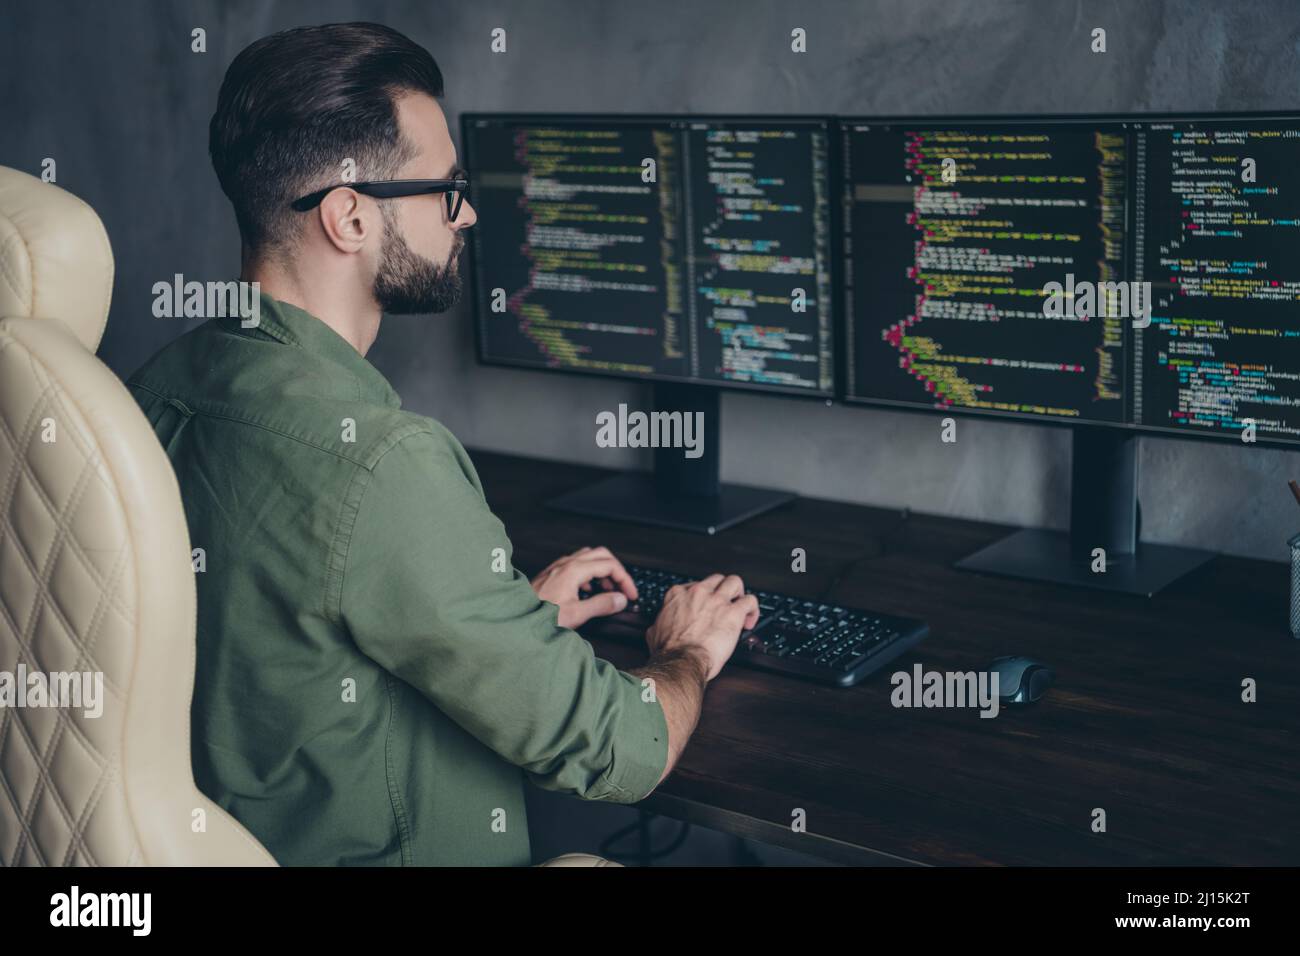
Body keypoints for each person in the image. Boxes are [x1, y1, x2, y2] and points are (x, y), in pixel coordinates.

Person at [127, 21, 758, 866]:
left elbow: (284, 632)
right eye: (444, 189)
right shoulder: (383, 460)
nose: (463, 215)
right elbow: (619, 750)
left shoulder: (159, 385)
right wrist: (685, 654)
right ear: (350, 217)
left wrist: (507, 619)